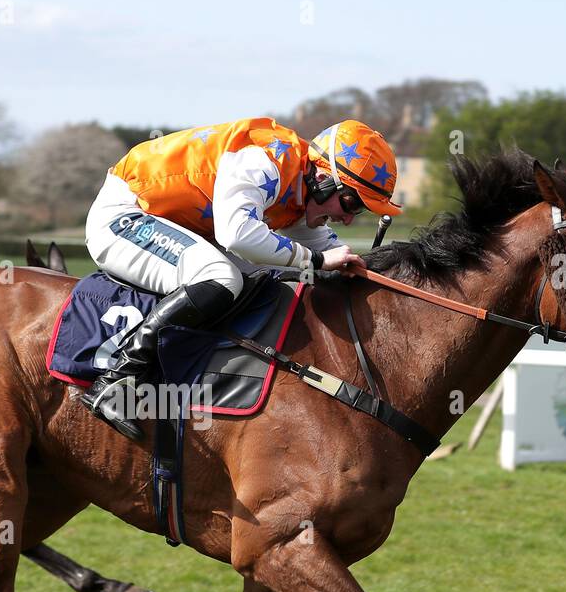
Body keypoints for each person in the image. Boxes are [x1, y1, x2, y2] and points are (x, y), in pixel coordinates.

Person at [80, 117, 401, 441]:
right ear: (323, 178)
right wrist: (317, 260)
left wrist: (364, 269)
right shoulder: (266, 161)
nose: (348, 218)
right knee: (221, 277)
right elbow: (237, 235)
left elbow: (326, 246)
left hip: (168, 222)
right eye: (351, 203)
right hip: (125, 214)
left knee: (264, 279)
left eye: (358, 212)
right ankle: (118, 378)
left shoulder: (300, 190)